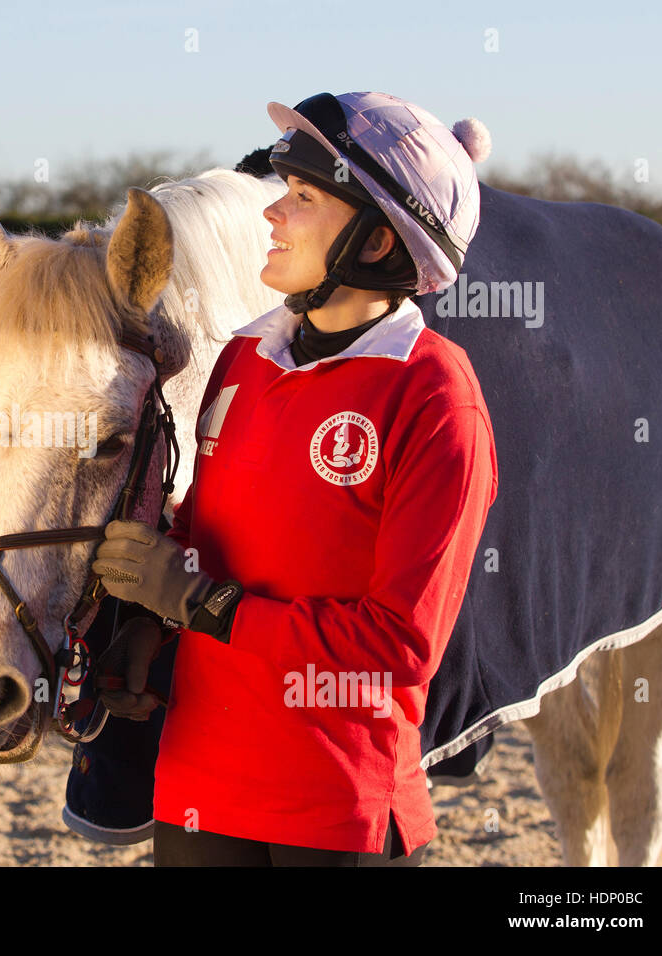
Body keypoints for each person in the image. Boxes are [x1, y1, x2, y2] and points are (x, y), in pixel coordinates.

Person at [91, 91, 498, 866]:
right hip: (196, 792)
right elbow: (203, 540)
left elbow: (396, 648)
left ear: (377, 241)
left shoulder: (436, 395)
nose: (273, 215)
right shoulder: (244, 358)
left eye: (304, 198)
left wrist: (201, 603)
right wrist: (154, 627)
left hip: (335, 806)